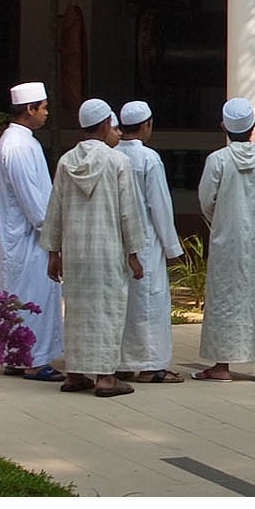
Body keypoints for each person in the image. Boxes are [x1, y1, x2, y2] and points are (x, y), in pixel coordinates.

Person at [50, 97, 157, 396]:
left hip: (75, 252)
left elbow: (55, 210)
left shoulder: (66, 161)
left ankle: (74, 373)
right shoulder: (117, 161)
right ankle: (106, 378)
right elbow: (129, 213)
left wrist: (53, 253)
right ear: (106, 125)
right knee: (108, 312)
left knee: (77, 312)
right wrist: (134, 255)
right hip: (108, 251)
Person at [193, 99, 255, 379]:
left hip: (228, 240)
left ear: (224, 127)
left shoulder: (217, 160)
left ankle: (222, 366)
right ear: (253, 126)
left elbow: (206, 201)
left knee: (225, 298)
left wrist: (221, 220)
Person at [0, 81, 62, 373]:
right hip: (28, 238)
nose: (46, 113)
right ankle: (33, 361)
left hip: (28, 237)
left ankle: (18, 357)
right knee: (33, 296)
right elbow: (33, 200)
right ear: (29, 109)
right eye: (43, 108)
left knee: (26, 296)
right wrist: (53, 232)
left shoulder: (23, 141)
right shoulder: (18, 146)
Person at [114, 100, 184, 382]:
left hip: (118, 241)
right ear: (147, 125)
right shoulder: (149, 159)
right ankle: (152, 364)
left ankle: (123, 363)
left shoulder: (113, 155)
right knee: (149, 302)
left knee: (125, 304)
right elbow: (160, 206)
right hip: (145, 241)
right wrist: (171, 247)